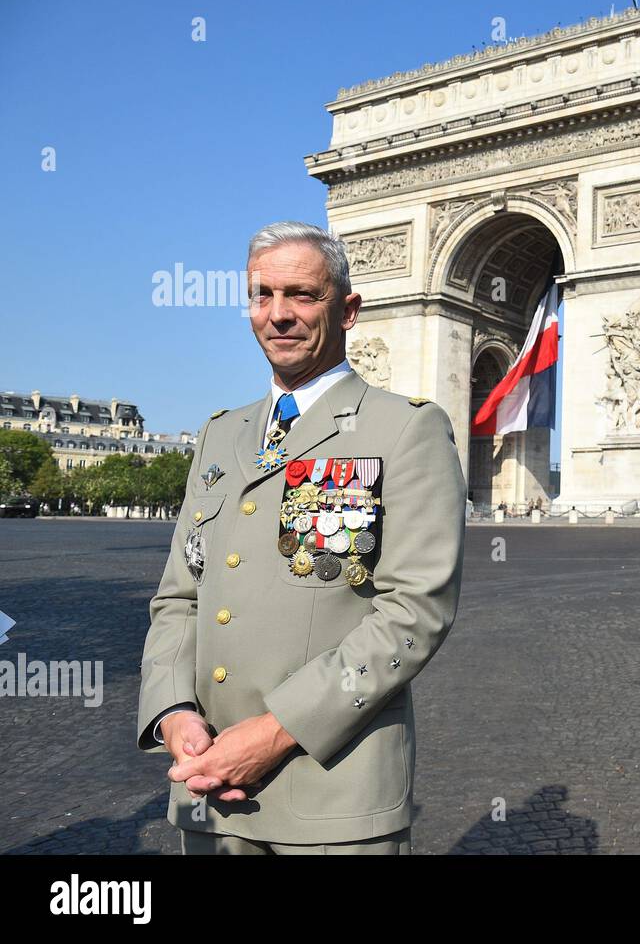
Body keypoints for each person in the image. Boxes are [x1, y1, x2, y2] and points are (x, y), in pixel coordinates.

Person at [135, 221, 467, 854]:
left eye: (302, 295)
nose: (278, 314)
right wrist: (172, 709)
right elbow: (182, 595)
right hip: (208, 790)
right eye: (262, 295)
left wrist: (275, 732)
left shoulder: (405, 431)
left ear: (348, 309)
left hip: (333, 794)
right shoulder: (219, 435)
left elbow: (413, 611)